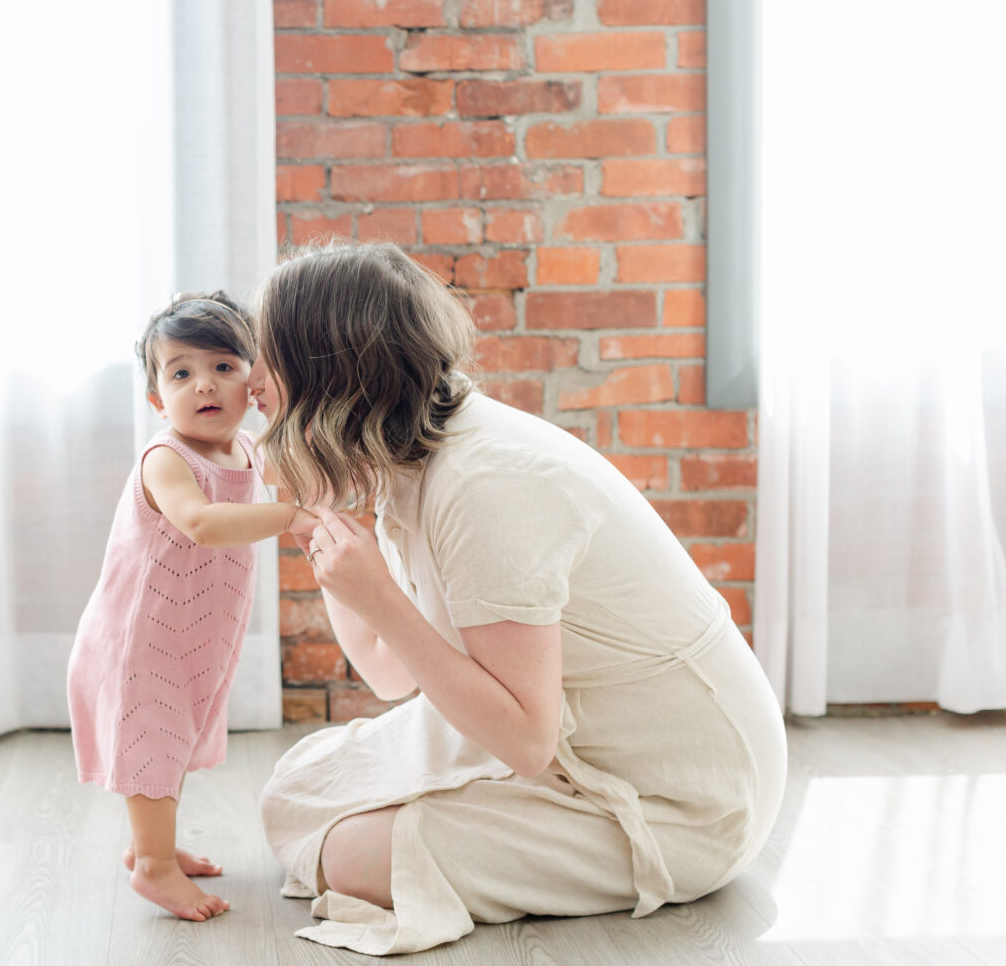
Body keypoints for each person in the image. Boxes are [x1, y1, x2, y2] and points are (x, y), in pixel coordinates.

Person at [248, 241, 788, 956]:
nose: (252, 379)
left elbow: (527, 740)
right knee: (298, 785)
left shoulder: (485, 484)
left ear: (330, 368)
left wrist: (380, 596)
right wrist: (320, 515)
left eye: (269, 354)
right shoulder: (404, 452)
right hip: (571, 737)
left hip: (682, 799)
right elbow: (390, 673)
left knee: (349, 854)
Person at [67, 291, 318, 922]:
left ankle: (153, 844)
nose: (203, 384)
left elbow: (292, 459)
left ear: (253, 383)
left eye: (224, 368)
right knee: (153, 741)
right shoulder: (166, 460)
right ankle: (152, 866)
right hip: (139, 637)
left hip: (194, 633)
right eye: (181, 373)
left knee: (172, 741)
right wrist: (291, 518)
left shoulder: (250, 450)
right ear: (157, 397)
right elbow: (203, 523)